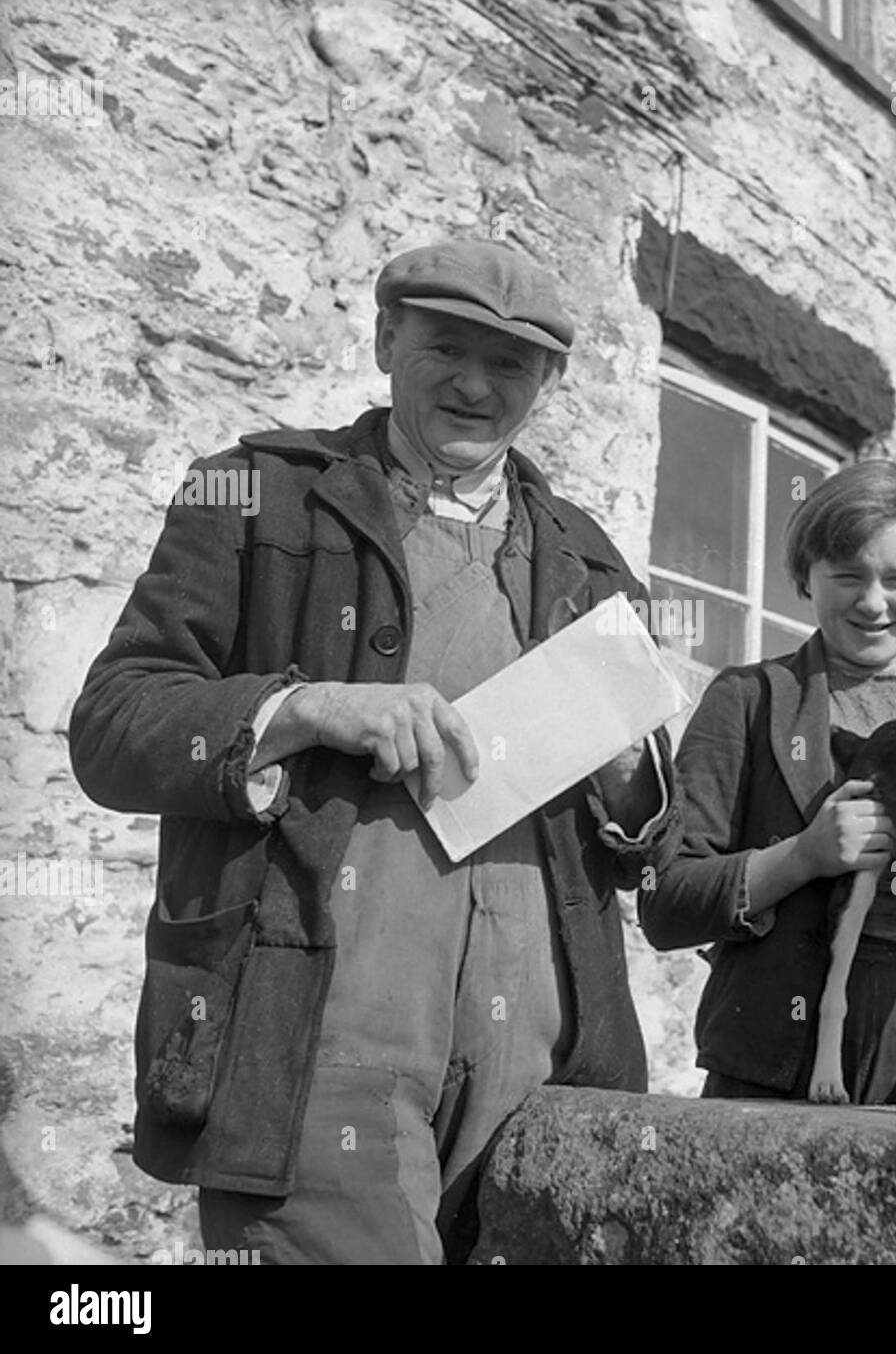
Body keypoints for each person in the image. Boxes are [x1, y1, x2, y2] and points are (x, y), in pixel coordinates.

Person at [69, 240, 677, 1264]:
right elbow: (114, 724)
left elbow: (641, 848)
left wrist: (628, 782)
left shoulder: (587, 557)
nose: (476, 385)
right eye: (446, 346)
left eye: (513, 365)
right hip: (315, 1038)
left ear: (551, 382)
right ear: (389, 334)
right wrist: (305, 708)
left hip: (542, 1063)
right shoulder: (260, 496)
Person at [640, 459, 896, 1110]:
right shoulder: (749, 700)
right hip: (779, 1056)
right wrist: (803, 856)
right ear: (805, 577)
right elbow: (666, 900)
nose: (872, 603)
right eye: (846, 576)